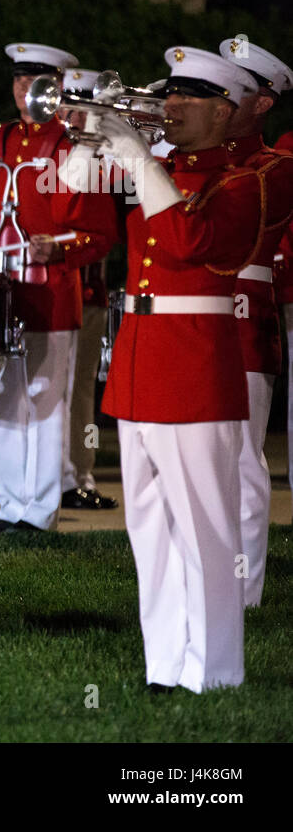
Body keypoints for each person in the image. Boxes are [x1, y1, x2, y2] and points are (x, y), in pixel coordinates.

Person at [87, 46, 262, 691]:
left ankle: (213, 670)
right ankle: (165, 665)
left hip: (193, 365)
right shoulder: (161, 168)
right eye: (170, 94)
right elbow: (79, 187)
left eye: (189, 98)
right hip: (141, 357)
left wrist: (136, 157)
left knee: (204, 530)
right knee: (150, 530)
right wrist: (90, 130)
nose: (171, 105)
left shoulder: (243, 182)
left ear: (224, 112)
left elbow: (188, 242)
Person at [0, 42, 117, 534]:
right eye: (18, 78)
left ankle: (38, 512)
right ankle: (9, 507)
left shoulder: (76, 147)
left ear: (56, 87)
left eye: (35, 79)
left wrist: (61, 250)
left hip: (51, 294)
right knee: (3, 399)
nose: (23, 87)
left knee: (44, 398)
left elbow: (101, 233)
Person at [215, 36, 293, 608]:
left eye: (232, 88)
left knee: (241, 458)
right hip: (184, 322)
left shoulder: (274, 166)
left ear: (262, 102)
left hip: (243, 319)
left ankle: (243, 592)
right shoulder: (183, 157)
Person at [57, 67, 119, 511]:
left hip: (84, 288)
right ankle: (54, 475)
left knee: (78, 389)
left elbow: (102, 232)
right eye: (66, 107)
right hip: (44, 288)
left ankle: (78, 473)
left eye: (81, 109)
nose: (71, 118)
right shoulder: (48, 153)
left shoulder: (102, 157)